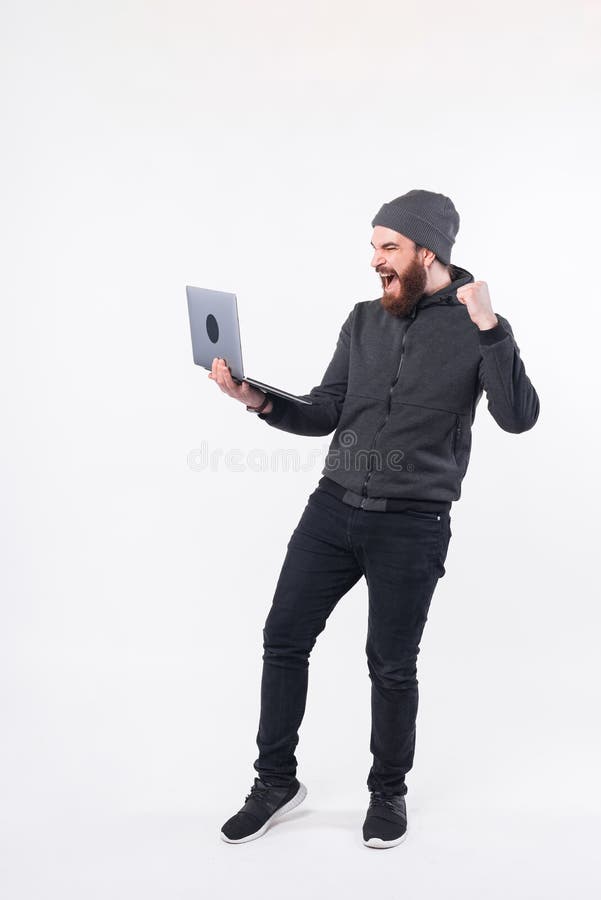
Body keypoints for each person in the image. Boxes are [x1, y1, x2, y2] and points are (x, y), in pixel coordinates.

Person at [208, 189, 540, 849]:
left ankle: (387, 794)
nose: (374, 260)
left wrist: (490, 330)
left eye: (387, 247)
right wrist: (254, 399)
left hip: (411, 524)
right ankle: (274, 782)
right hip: (331, 510)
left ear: (428, 252)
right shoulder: (363, 319)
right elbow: (325, 409)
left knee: (389, 664)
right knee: (283, 638)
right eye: (372, 246)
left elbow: (517, 416)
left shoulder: (478, 327)